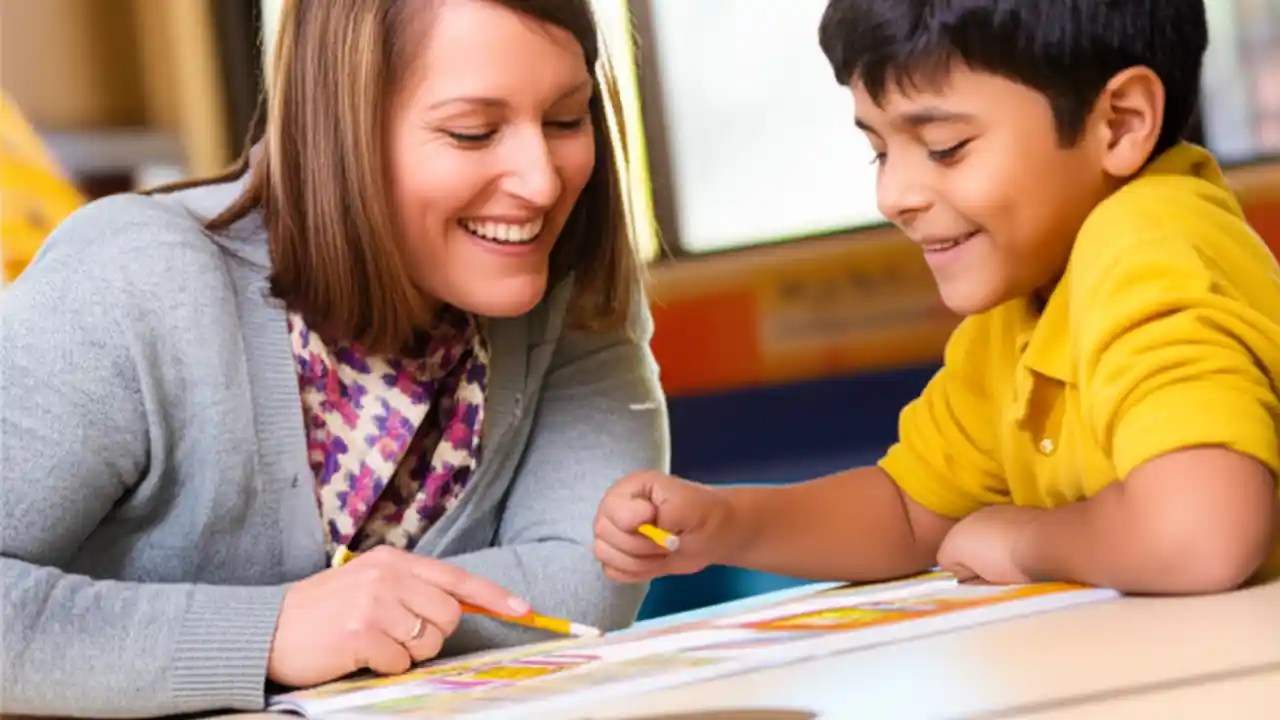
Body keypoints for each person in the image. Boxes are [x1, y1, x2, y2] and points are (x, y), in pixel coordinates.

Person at [0, 0, 667, 716]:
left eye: (565, 119)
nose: (542, 182)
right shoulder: (129, 284)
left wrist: (370, 623)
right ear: (341, 132)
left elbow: (586, 580)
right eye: (472, 132)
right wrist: (270, 632)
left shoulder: (568, 286)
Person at [594, 0, 1280, 598]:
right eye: (880, 153)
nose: (893, 196)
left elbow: (1199, 534)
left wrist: (1024, 543)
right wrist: (725, 524)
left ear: (1121, 123)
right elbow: (908, 512)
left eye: (945, 147)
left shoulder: (1148, 245)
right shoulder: (1022, 305)